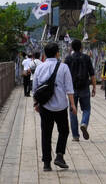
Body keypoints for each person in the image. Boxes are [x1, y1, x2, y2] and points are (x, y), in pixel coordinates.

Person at [31, 42, 76, 171]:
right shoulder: (64, 67)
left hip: (45, 106)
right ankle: (59, 155)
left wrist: (36, 103)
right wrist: (72, 104)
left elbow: (35, 88)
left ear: (45, 54)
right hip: (61, 106)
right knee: (64, 131)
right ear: (57, 53)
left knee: (46, 133)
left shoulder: (40, 67)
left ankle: (46, 163)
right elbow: (69, 88)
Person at [64, 38, 96, 141]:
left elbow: (64, 74)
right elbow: (92, 74)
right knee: (86, 109)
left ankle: (75, 136)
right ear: (81, 47)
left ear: (71, 47)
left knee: (73, 110)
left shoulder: (68, 58)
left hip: (72, 88)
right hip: (84, 87)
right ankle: (84, 123)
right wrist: (94, 87)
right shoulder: (86, 58)